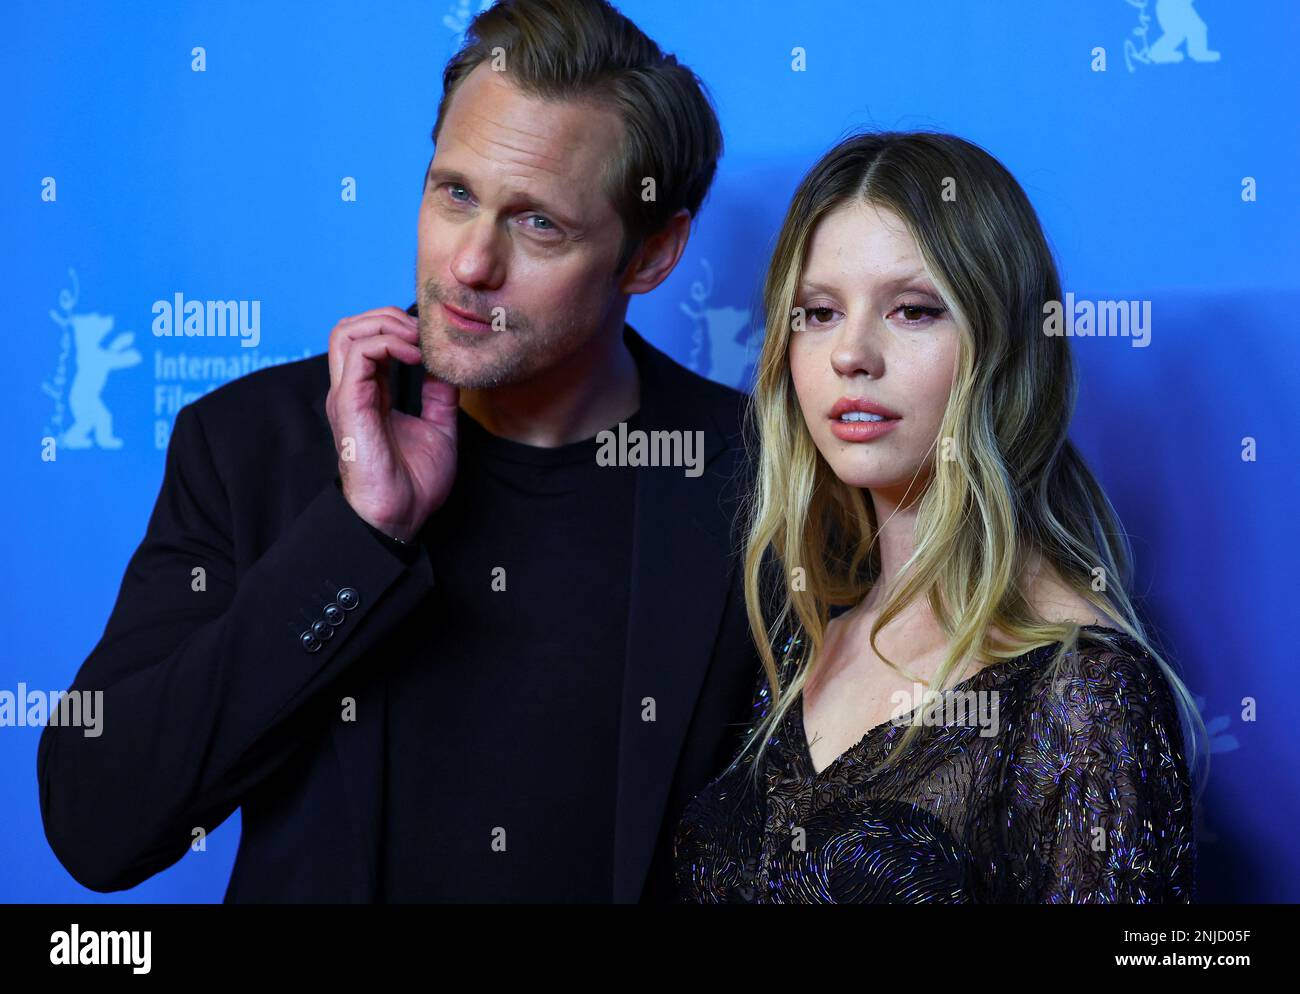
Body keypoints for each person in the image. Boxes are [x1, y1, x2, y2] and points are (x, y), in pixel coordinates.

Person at [38, 0, 762, 903]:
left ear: (653, 253)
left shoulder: (761, 479)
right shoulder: (249, 444)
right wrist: (359, 534)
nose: (468, 265)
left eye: (539, 225)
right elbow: (95, 823)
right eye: (454, 193)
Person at [673, 131, 1208, 904]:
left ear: (1005, 344)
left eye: (913, 310)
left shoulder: (1083, 694)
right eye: (818, 313)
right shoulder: (797, 640)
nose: (851, 354)